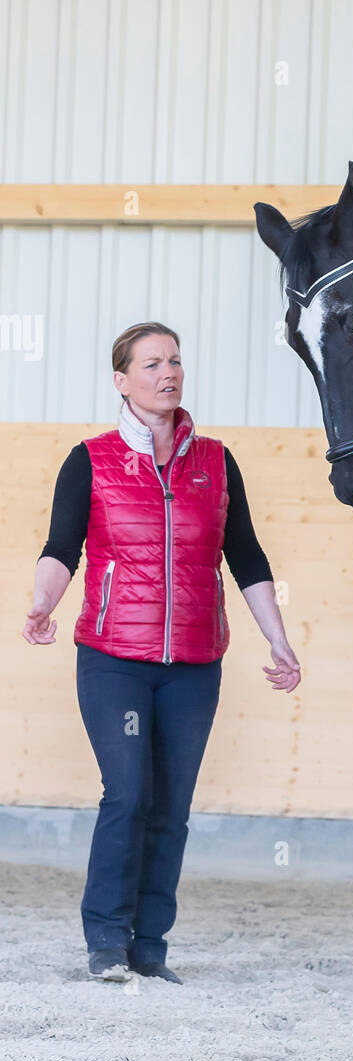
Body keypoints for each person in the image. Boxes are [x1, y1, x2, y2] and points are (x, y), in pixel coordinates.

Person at [21, 321, 301, 983]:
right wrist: (43, 604)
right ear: (121, 381)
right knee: (127, 793)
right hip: (115, 658)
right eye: (151, 364)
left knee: (171, 807)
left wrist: (278, 637)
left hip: (195, 665)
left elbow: (248, 557)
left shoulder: (215, 461)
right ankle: (106, 944)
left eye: (174, 361)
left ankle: (150, 949)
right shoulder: (89, 460)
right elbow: (63, 548)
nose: (167, 373)